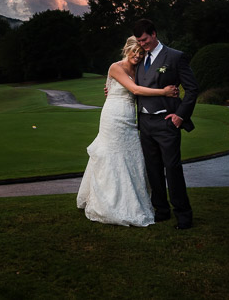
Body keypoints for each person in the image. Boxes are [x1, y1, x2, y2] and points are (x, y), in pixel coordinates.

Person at [76, 36, 179, 226]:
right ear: (126, 49)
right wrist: (164, 92)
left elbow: (141, 88)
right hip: (113, 116)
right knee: (112, 154)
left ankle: (135, 200)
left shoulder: (139, 69)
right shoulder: (116, 67)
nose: (137, 56)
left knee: (131, 155)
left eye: (141, 53)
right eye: (134, 52)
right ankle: (109, 201)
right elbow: (135, 90)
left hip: (130, 117)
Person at [133, 18, 199, 230]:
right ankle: (161, 210)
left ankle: (184, 215)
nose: (142, 44)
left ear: (154, 34)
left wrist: (180, 115)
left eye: (144, 39)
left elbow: (192, 89)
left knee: (172, 169)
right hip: (145, 123)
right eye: (139, 41)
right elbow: (135, 87)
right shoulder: (139, 58)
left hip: (166, 122)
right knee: (153, 169)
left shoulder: (175, 57)